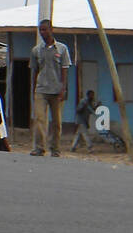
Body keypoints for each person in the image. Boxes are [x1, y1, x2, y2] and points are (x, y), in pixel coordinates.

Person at [29, 19, 71, 157]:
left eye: (44, 29)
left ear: (51, 29)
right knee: (39, 119)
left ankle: (55, 149)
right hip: (41, 90)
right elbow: (34, 71)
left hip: (56, 91)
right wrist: (33, 88)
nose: (42, 32)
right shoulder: (36, 50)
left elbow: (65, 70)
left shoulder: (62, 49)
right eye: (40, 30)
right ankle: (40, 148)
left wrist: (63, 89)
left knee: (57, 122)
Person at [70, 89, 98, 153]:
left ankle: (73, 147)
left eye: (93, 95)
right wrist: (83, 107)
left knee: (78, 134)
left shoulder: (89, 102)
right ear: (88, 95)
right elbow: (78, 110)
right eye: (91, 95)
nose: (93, 97)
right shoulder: (83, 101)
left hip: (84, 120)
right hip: (80, 120)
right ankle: (90, 148)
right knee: (85, 134)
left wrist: (96, 106)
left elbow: (91, 110)